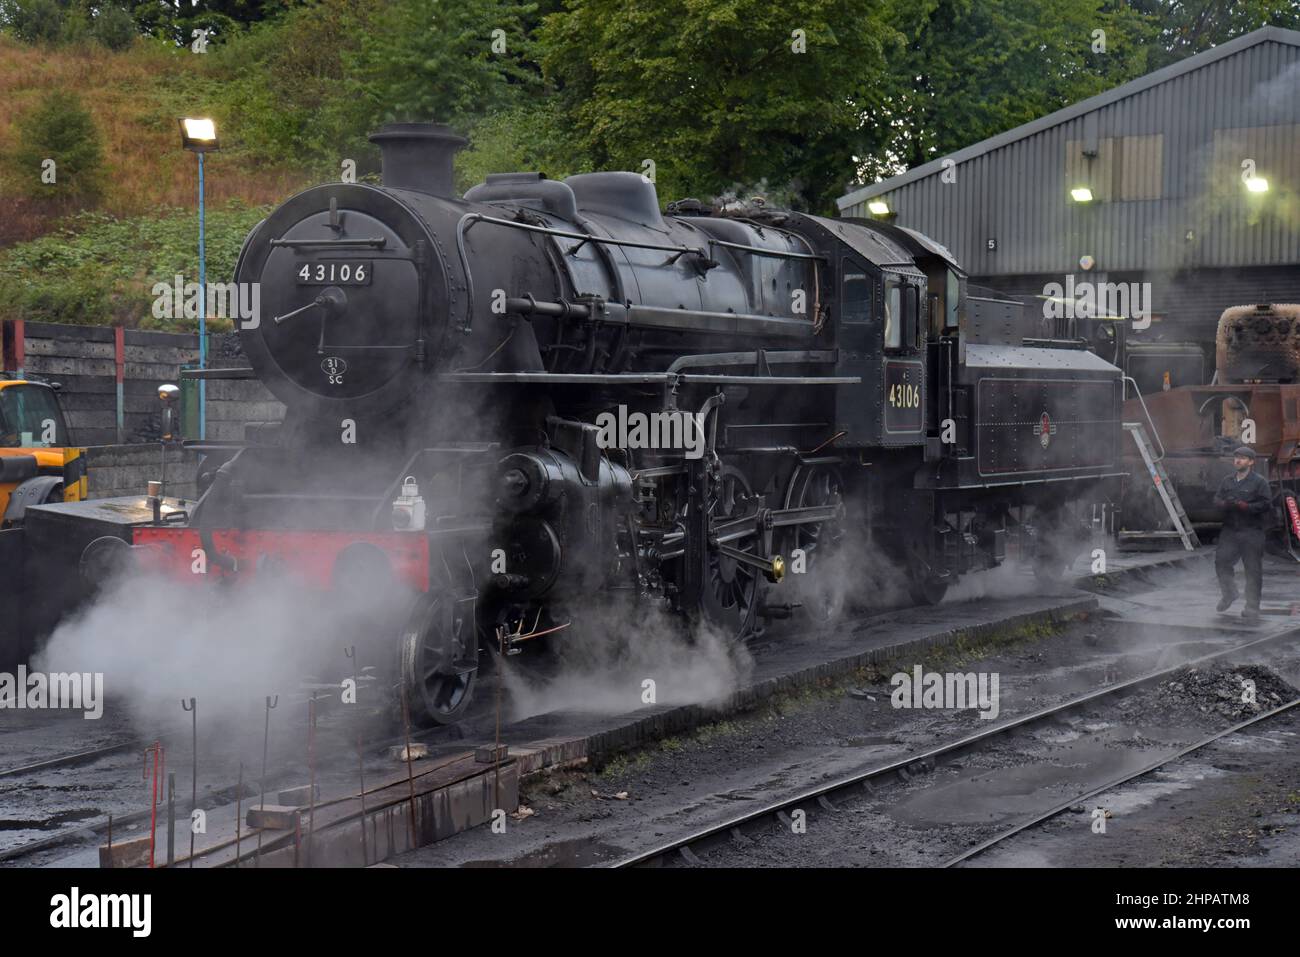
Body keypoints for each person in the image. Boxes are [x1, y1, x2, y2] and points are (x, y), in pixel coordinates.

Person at [1213, 446, 1273, 620]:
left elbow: (1266, 504)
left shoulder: (1259, 482)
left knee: (1252, 570)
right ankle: (1229, 593)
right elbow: (1216, 498)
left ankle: (1252, 607)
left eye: (1243, 458)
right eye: (1236, 458)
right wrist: (1223, 504)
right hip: (1230, 530)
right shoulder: (1227, 481)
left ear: (1251, 462)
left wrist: (1247, 507)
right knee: (1221, 562)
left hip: (1252, 531)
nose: (1238, 460)